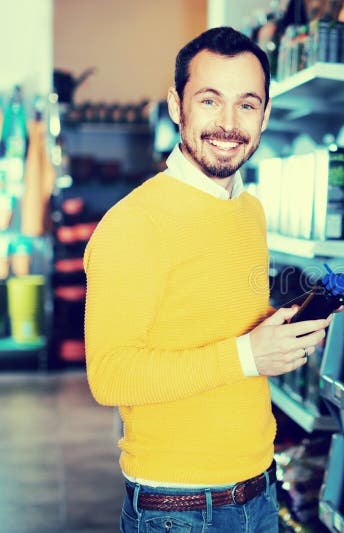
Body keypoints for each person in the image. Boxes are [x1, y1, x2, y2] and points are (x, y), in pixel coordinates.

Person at [84, 27, 330, 533]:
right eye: (209, 100)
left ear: (264, 114)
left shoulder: (249, 211)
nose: (228, 123)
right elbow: (109, 375)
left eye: (246, 104)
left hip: (259, 489)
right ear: (177, 105)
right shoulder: (134, 223)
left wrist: (276, 335)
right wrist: (247, 355)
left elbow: (211, 326)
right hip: (179, 508)